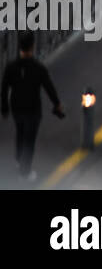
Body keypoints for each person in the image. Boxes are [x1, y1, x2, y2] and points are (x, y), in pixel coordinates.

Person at [1, 32, 65, 182]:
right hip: (33, 110)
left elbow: (4, 88)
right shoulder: (38, 68)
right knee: (29, 140)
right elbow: (49, 88)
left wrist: (4, 108)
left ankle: (18, 159)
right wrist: (57, 104)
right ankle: (25, 171)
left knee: (20, 133)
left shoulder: (11, 67)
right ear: (32, 46)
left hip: (17, 108)